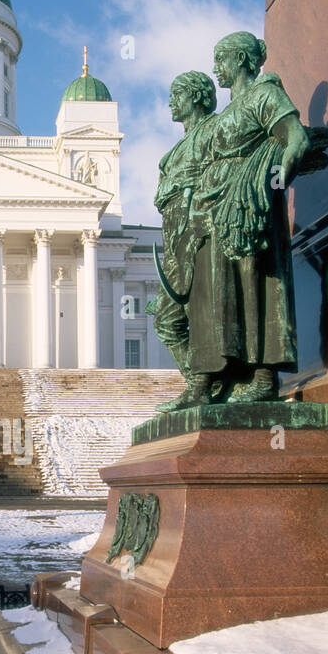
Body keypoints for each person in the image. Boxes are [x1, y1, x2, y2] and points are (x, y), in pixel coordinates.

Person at [185, 31, 310, 404]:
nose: (215, 69)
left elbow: (296, 140)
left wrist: (266, 185)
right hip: (218, 208)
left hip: (248, 208)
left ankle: (263, 376)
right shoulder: (228, 111)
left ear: (240, 59)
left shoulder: (265, 95)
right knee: (221, 296)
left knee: (255, 287)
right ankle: (225, 374)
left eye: (220, 59)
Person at [146, 71, 219, 411]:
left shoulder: (215, 130)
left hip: (199, 231)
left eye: (178, 94)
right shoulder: (173, 151)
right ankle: (199, 385)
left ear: (198, 97)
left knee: (198, 312)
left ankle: (204, 385)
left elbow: (223, 173)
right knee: (165, 319)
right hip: (173, 234)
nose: (171, 102)